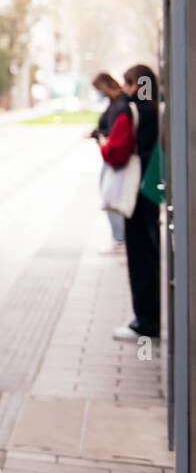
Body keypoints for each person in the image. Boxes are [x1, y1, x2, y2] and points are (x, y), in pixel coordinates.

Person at [98, 64, 161, 340]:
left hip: (134, 191)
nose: (124, 87)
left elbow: (116, 153)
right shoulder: (155, 110)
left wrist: (102, 144)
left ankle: (144, 323)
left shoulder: (131, 109)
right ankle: (150, 319)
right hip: (152, 189)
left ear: (135, 83)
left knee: (139, 257)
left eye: (127, 82)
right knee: (149, 253)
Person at [87, 71, 130, 251]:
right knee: (109, 194)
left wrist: (100, 136)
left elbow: (113, 131)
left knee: (111, 195)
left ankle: (120, 238)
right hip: (110, 155)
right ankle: (119, 237)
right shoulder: (115, 103)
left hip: (114, 157)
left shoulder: (120, 104)